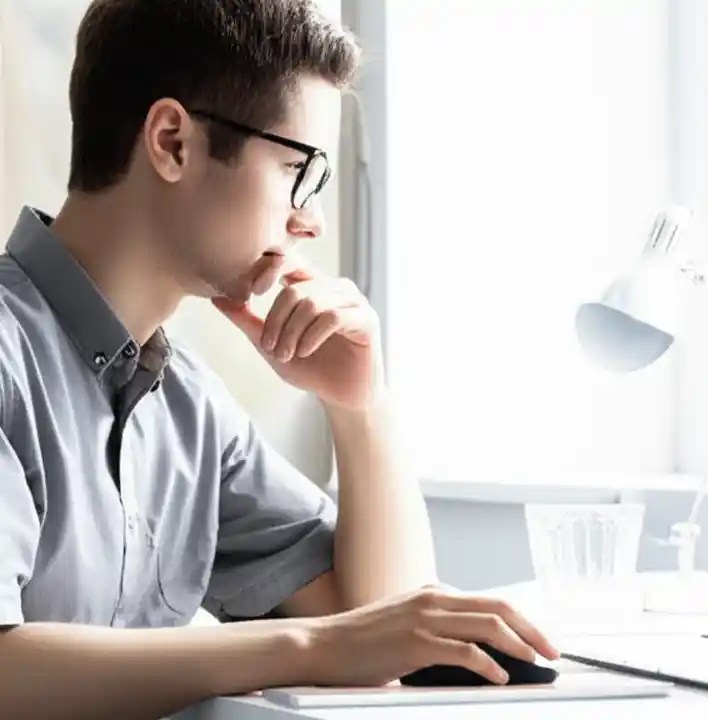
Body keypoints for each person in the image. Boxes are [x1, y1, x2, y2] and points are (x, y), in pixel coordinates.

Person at [0, 1, 558, 717]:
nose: (310, 219)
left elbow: (385, 630)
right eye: (297, 167)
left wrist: (360, 407)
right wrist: (311, 646)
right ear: (172, 142)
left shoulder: (188, 409)